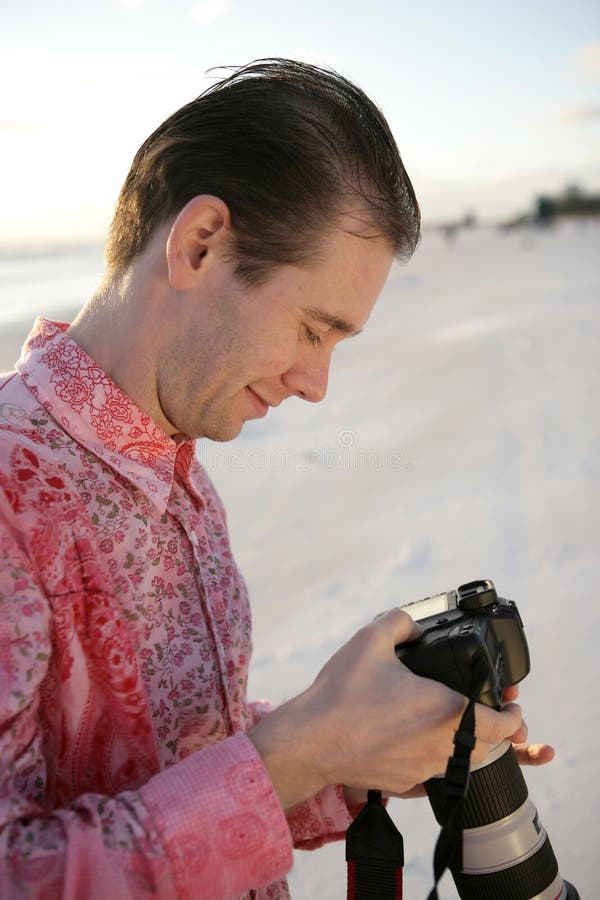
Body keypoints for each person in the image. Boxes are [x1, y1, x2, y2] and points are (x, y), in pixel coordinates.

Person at [0, 59, 553, 899]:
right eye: (311, 328)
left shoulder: (173, 462)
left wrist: (359, 754)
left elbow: (177, 758)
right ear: (200, 244)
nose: (316, 382)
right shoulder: (12, 494)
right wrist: (303, 749)